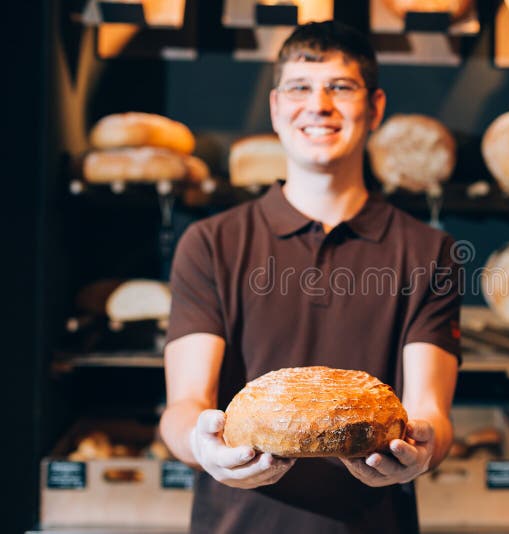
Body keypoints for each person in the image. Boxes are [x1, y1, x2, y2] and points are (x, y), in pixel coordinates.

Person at [159, 20, 462, 534]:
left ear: (376, 108)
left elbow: (430, 410)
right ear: (276, 107)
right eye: (300, 88)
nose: (319, 105)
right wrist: (201, 445)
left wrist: (425, 447)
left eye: (340, 87)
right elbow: (184, 405)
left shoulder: (429, 252)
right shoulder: (211, 243)